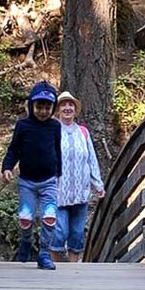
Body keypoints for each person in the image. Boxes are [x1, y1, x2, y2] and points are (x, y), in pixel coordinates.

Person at [1, 81, 62, 270]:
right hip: (27, 181)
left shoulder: (55, 126)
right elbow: (14, 150)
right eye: (39, 106)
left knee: (50, 217)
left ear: (52, 108)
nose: (43, 111)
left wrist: (59, 173)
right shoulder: (23, 126)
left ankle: (44, 253)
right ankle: (26, 241)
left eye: (47, 107)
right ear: (31, 105)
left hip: (49, 180)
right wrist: (7, 167)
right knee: (26, 218)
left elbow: (57, 151)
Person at [49, 92, 104, 263]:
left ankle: (73, 272)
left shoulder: (83, 132)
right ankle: (54, 271)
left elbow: (91, 159)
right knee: (60, 232)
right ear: (58, 110)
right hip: (58, 192)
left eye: (70, 105)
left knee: (78, 234)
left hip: (81, 192)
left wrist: (98, 183)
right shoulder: (52, 130)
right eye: (63, 105)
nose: (67, 108)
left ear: (75, 109)